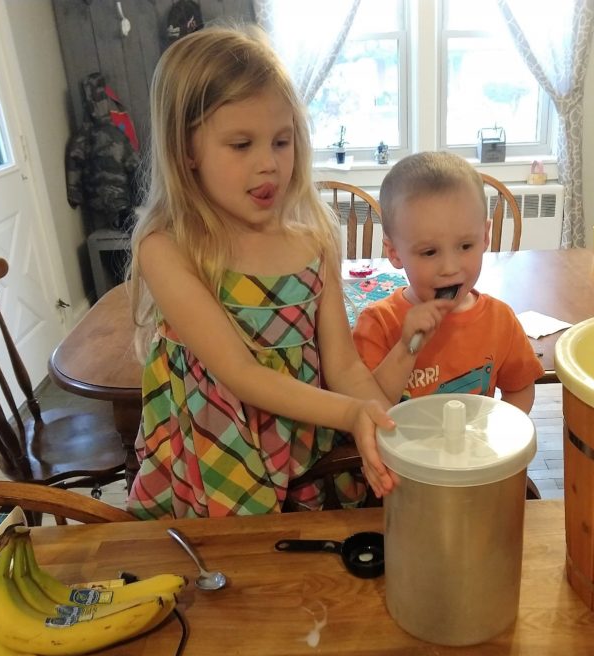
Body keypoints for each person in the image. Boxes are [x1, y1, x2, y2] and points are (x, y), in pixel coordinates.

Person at [126, 25, 396, 519]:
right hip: (215, 466)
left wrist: (386, 424)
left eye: (281, 141)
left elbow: (344, 365)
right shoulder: (168, 248)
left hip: (308, 460)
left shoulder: (314, 238)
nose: (268, 164)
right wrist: (351, 412)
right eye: (241, 144)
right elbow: (242, 374)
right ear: (187, 150)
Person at [352, 152, 544, 413]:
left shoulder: (500, 320)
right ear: (394, 252)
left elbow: (520, 386)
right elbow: (367, 408)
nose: (450, 268)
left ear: (485, 236)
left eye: (465, 246)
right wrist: (406, 349)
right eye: (429, 252)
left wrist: (499, 440)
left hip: (475, 453)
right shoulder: (378, 324)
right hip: (401, 454)